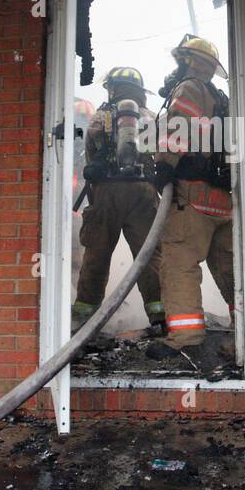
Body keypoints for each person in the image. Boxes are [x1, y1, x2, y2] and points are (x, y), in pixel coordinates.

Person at [150, 35, 234, 363]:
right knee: (231, 271)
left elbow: (177, 125)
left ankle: (185, 338)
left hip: (191, 196)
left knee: (179, 263)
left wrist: (164, 166)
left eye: (181, 61)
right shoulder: (222, 98)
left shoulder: (189, 88)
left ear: (188, 61)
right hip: (223, 201)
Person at [71, 67, 165, 335]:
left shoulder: (103, 114)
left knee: (96, 255)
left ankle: (83, 322)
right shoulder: (149, 117)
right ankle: (160, 317)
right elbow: (161, 153)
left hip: (107, 192)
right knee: (149, 256)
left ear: (113, 88)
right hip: (144, 193)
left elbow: (91, 150)